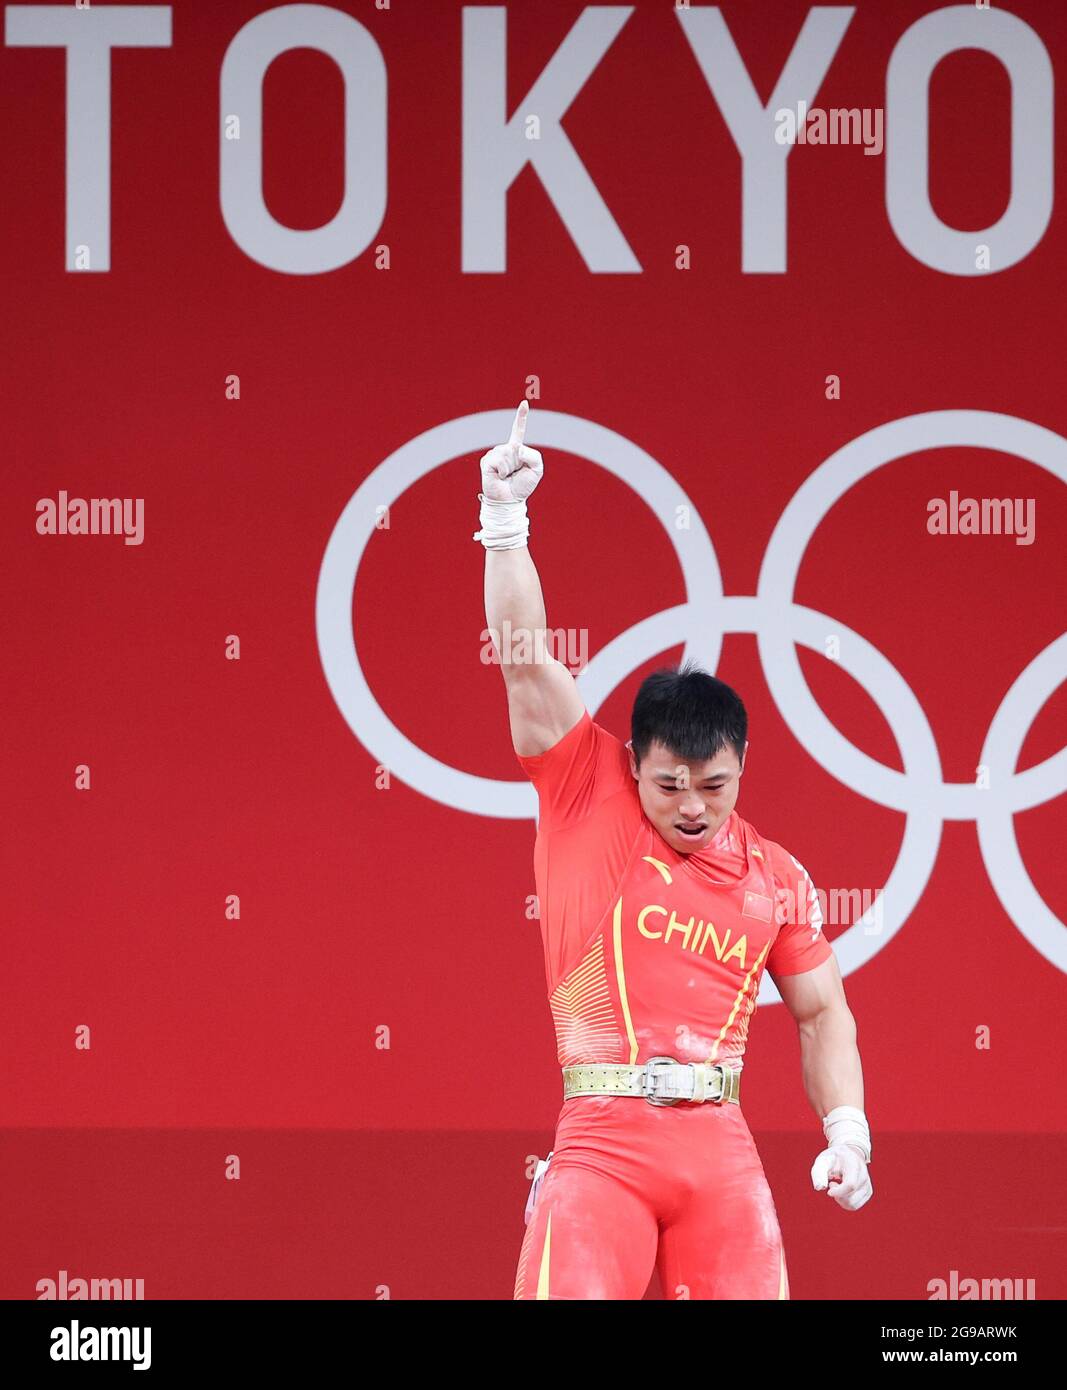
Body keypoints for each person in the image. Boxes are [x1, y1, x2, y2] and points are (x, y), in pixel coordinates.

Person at [476, 401, 873, 1301]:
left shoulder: (777, 878)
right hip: (600, 1149)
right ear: (633, 763)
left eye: (714, 785)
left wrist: (847, 1132)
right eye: (669, 785)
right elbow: (522, 657)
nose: (692, 807)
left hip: (720, 1158)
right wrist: (504, 521)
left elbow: (821, 1013)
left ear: (743, 766)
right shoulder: (584, 787)